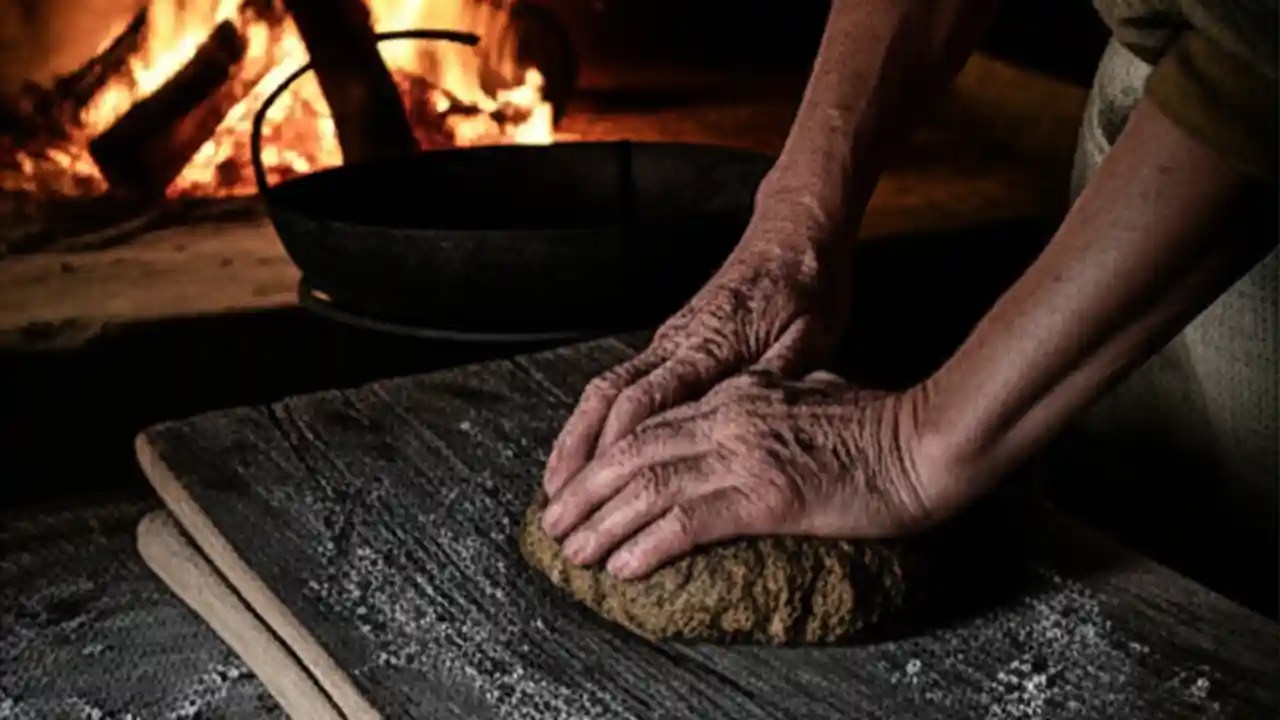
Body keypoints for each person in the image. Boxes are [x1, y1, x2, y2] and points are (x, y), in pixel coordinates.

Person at [539, 0, 1277, 583]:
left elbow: (1257, 63)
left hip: (1239, 175)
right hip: (1151, 131)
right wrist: (793, 227)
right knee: (1136, 546)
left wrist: (908, 445)